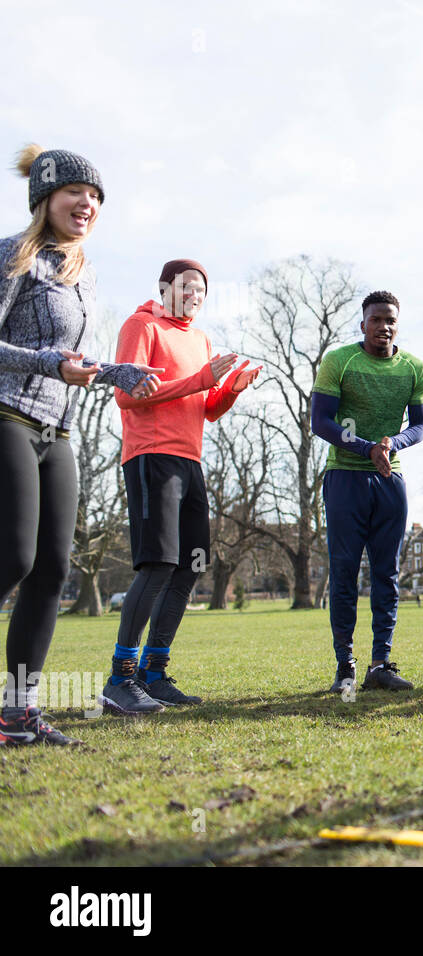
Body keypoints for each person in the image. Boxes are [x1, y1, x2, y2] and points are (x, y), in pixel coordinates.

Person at [0, 145, 162, 745]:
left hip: (57, 431)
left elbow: (72, 361)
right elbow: (33, 354)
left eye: (96, 197)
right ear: (45, 198)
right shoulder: (12, 258)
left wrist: (115, 372)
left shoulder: (81, 273)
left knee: (51, 569)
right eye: (76, 193)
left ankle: (17, 715)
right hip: (7, 417)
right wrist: (46, 362)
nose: (87, 204)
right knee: (14, 558)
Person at [103, 259, 261, 714]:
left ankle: (154, 673)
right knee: (156, 564)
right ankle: (120, 678)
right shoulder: (141, 325)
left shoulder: (199, 339)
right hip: (151, 456)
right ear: (165, 287)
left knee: (190, 566)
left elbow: (207, 407)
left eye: (202, 289)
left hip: (191, 460)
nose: (195, 294)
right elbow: (126, 393)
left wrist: (231, 388)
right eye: (187, 286)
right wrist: (201, 378)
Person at [311, 290, 423, 694]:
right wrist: (366, 448)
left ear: (399, 324)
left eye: (391, 320)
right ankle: (345, 665)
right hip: (345, 477)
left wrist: (390, 446)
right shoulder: (339, 361)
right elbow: (320, 421)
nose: (384, 326)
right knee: (344, 573)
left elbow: (419, 427)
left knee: (387, 574)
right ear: (363, 324)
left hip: (389, 481)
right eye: (376, 319)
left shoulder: (414, 368)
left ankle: (381, 663)